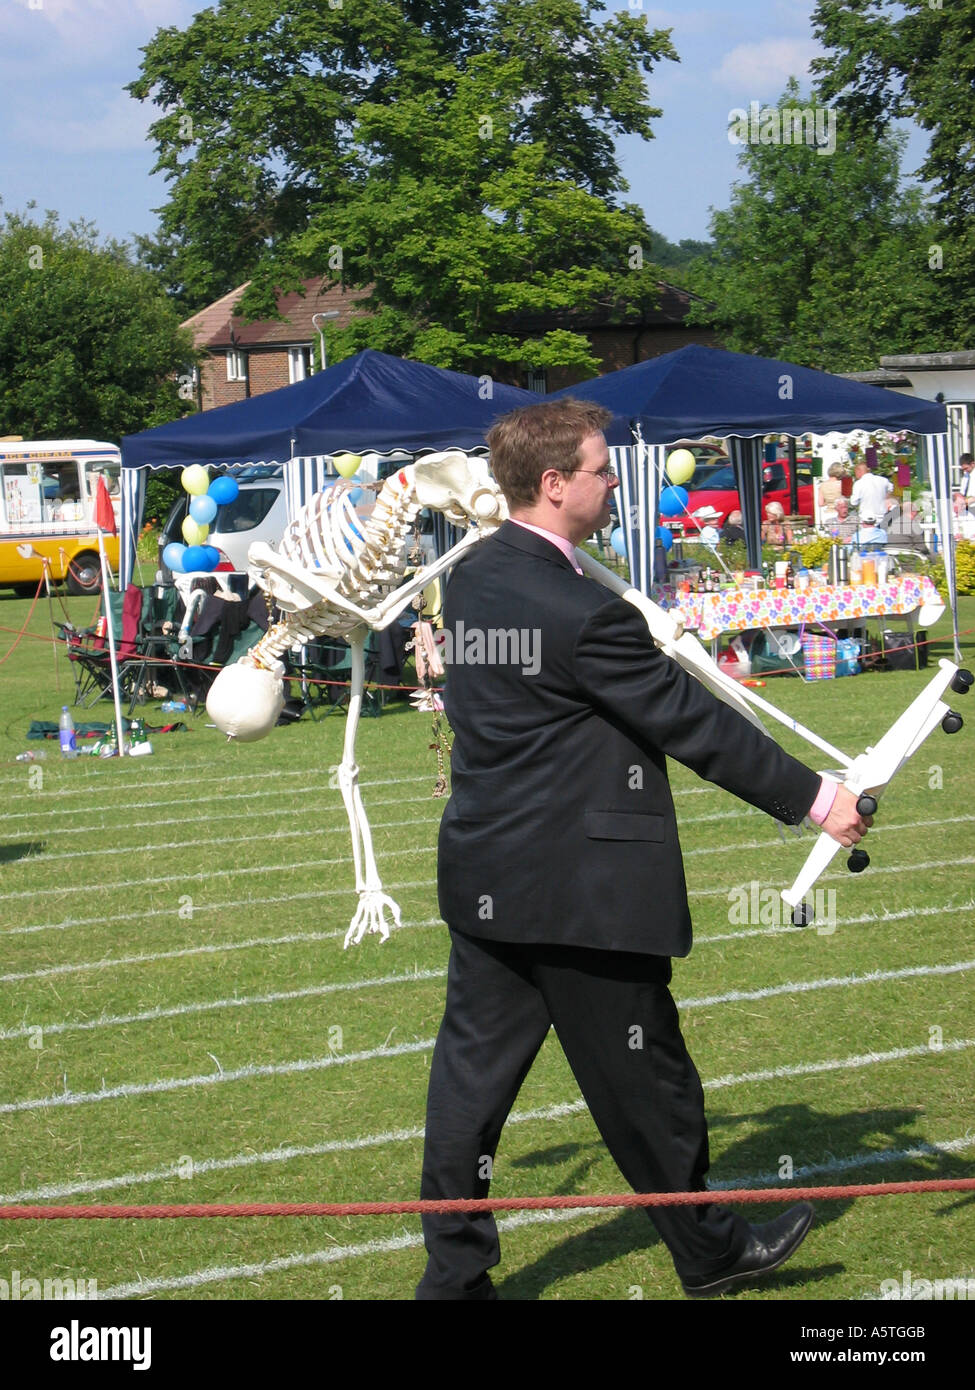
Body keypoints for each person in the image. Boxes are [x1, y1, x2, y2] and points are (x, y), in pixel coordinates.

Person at [416, 397, 870, 1301]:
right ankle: (709, 1254)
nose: (614, 480)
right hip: (581, 891)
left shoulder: (469, 578)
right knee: (646, 1080)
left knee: (469, 1089)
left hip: (491, 877)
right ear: (553, 484)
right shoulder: (581, 610)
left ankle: (454, 1276)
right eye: (599, 468)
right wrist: (817, 800)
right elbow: (692, 722)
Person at [850, 460, 892, 525]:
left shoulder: (858, 484)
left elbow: (853, 502)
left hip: (866, 519)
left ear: (859, 471)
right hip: (882, 517)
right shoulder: (883, 480)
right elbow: (891, 488)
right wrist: (885, 498)